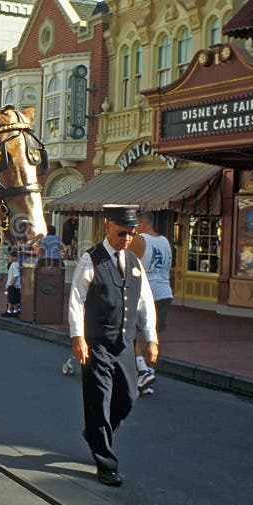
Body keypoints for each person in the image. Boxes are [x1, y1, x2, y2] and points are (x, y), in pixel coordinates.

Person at [68, 204, 158, 487]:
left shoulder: (134, 261)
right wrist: (77, 337)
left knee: (128, 397)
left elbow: (145, 302)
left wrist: (151, 337)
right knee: (98, 401)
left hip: (124, 344)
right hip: (97, 344)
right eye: (122, 233)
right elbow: (76, 300)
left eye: (132, 233)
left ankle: (96, 435)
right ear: (108, 227)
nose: (127, 239)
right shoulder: (90, 259)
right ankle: (106, 463)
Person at [129, 211, 173, 396]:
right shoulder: (165, 241)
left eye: (134, 224)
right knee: (153, 337)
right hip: (164, 291)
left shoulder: (139, 239)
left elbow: (127, 264)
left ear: (142, 223)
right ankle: (149, 375)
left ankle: (142, 370)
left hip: (145, 293)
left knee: (130, 332)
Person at [2, 248, 21, 317]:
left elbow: (15, 276)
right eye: (9, 256)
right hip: (14, 285)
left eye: (10, 256)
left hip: (13, 286)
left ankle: (13, 310)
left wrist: (11, 284)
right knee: (11, 299)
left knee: (11, 299)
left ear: (15, 258)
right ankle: (11, 311)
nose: (9, 258)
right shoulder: (14, 264)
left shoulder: (14, 265)